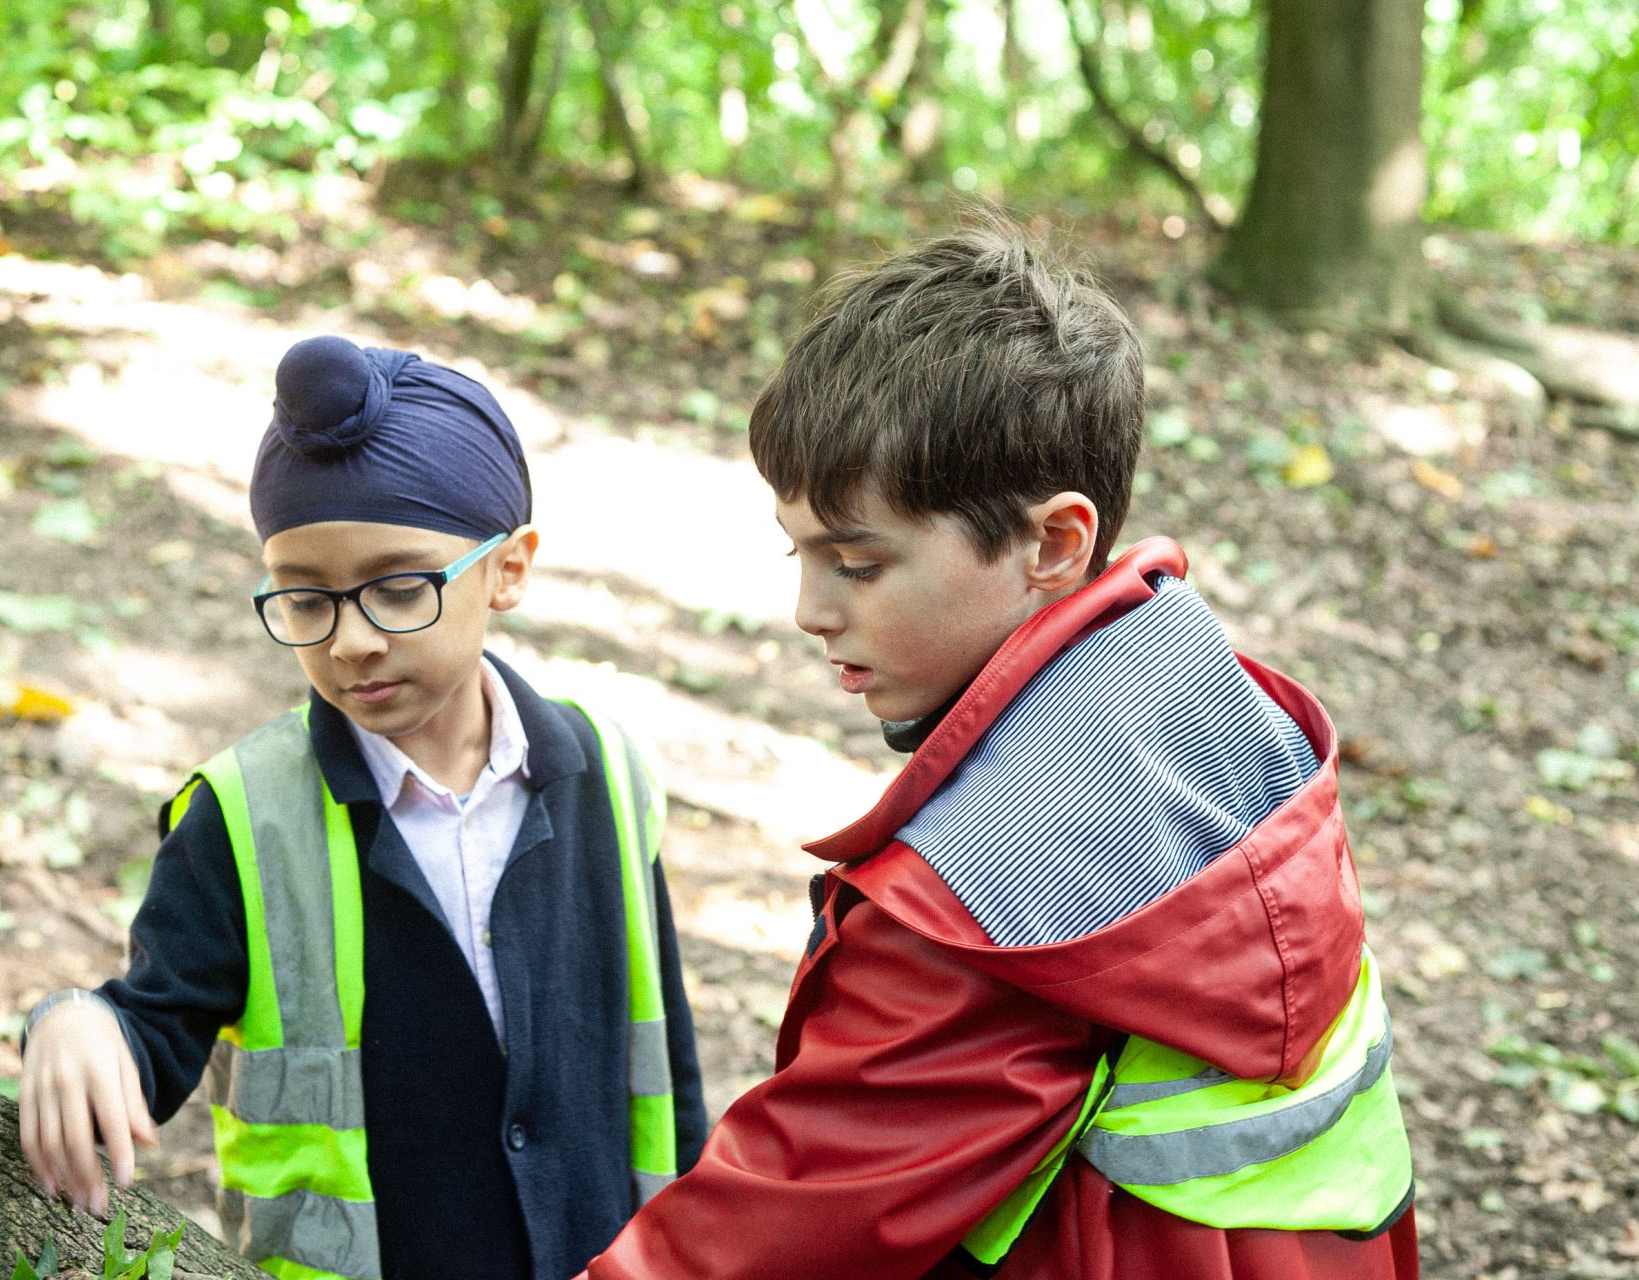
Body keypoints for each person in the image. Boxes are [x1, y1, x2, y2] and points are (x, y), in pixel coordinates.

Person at [578, 220, 1418, 1280]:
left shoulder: (981, 904)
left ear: (1054, 543)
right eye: (799, 552)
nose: (807, 609)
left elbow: (787, 1220)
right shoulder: (1199, 694)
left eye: (857, 562)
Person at [18, 336, 707, 1280]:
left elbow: (668, 1073)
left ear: (507, 570)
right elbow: (152, 1028)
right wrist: (74, 1021)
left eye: (396, 589)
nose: (351, 642)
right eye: (306, 600)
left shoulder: (609, 771)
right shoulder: (240, 817)